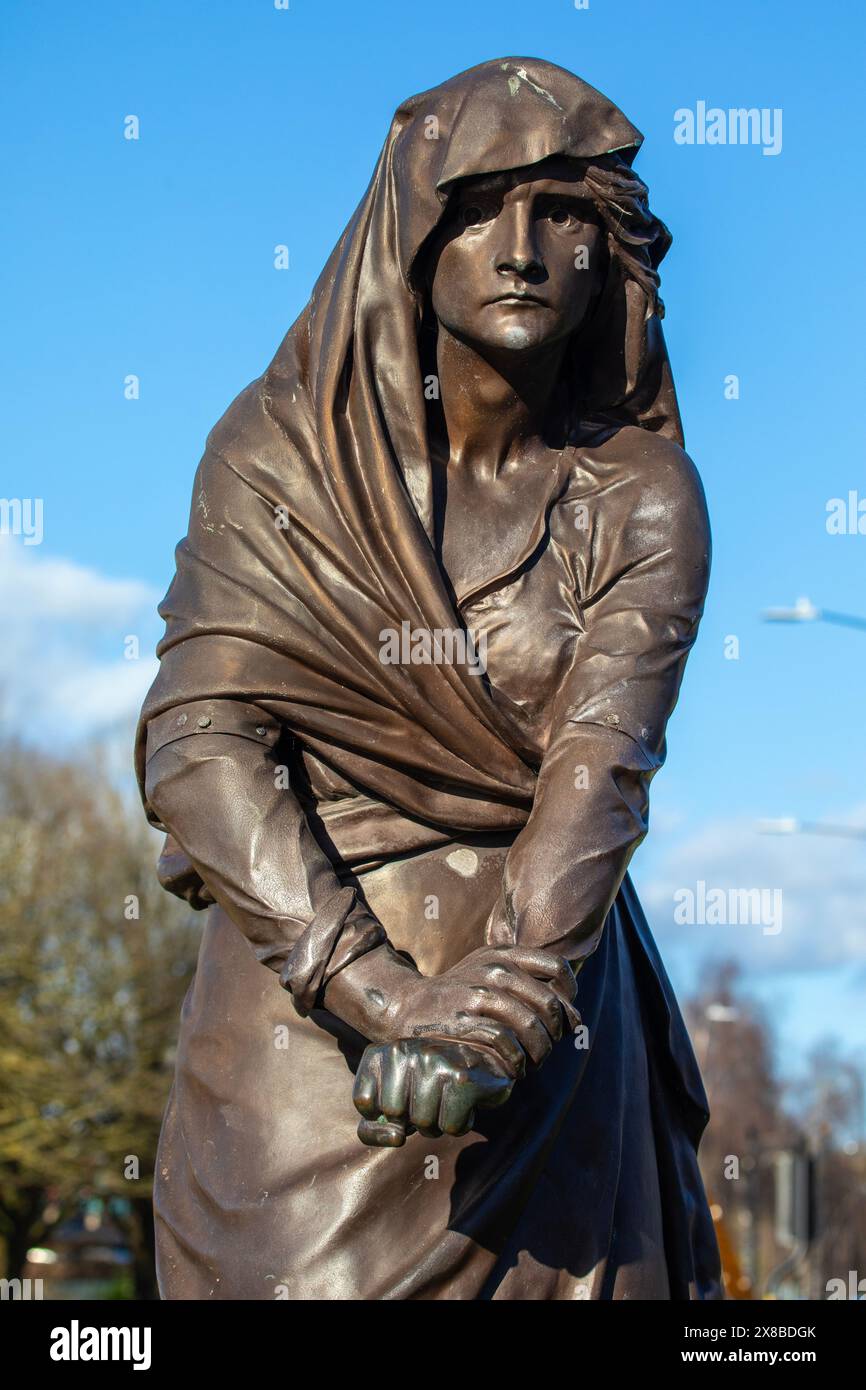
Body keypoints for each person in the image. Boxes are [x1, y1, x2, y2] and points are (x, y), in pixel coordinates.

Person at [136, 57, 722, 1300]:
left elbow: (599, 770)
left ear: (603, 251)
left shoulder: (637, 496)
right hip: (302, 1034)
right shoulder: (278, 459)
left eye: (559, 211)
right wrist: (380, 994)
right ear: (410, 235)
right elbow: (201, 737)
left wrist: (496, 1019)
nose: (518, 248)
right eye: (475, 207)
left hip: (543, 1032)